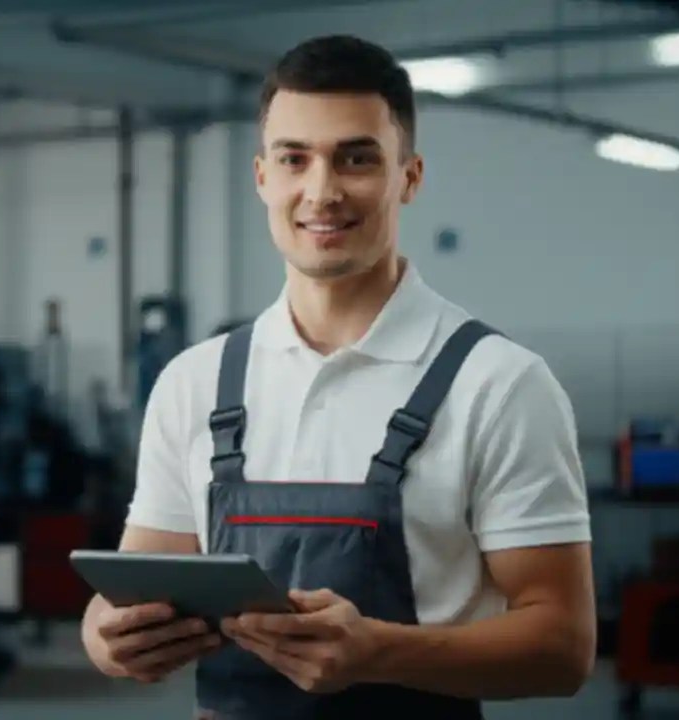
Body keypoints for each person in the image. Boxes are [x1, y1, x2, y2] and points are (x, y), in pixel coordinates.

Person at [80, 34, 595, 718]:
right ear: (263, 177)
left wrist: (380, 653)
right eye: (295, 159)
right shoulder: (194, 383)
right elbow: (124, 593)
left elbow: (563, 644)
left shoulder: (500, 385)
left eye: (356, 158)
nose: (321, 192)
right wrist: (106, 641)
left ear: (408, 177)